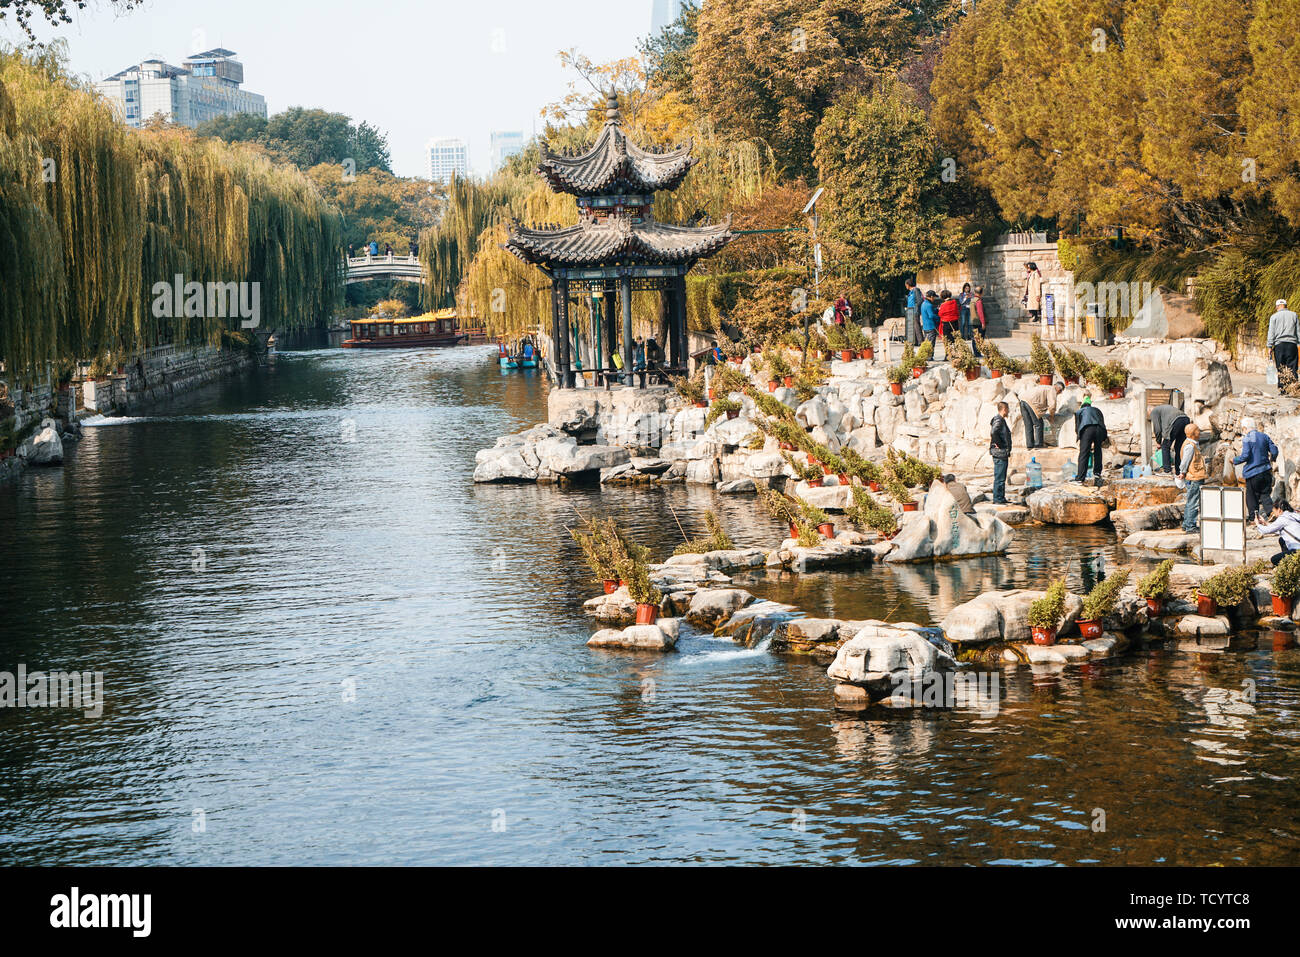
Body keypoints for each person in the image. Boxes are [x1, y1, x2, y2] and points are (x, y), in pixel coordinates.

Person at [1233, 416, 1278, 520]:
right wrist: (1272, 459)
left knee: (1251, 496)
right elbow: (1274, 450)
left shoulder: (1247, 438)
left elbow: (1245, 456)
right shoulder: (1264, 436)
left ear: (1244, 428)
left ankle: (1254, 518)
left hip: (1252, 473)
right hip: (1266, 471)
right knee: (1265, 494)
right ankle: (1271, 512)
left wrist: (1235, 460)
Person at [1176, 423, 1207, 534]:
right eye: (1198, 431)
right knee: (1193, 502)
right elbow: (1185, 461)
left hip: (1194, 476)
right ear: (1193, 434)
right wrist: (1182, 472)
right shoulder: (1190, 446)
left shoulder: (1192, 443)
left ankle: (1186, 524)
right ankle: (1190, 526)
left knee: (1191, 501)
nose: (1200, 432)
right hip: (1194, 477)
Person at [1150, 402, 1192, 474]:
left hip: (1175, 422)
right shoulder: (1164, 408)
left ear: (1149, 410)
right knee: (1179, 447)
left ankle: (1167, 470)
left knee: (1165, 446)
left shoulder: (1154, 411)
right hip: (1186, 419)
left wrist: (1158, 442)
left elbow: (1157, 429)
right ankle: (1179, 471)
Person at [1074, 394, 1106, 486]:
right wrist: (1103, 437)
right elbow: (1103, 423)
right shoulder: (1097, 410)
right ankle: (1097, 473)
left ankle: (1080, 479)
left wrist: (1079, 439)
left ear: (1082, 405)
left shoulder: (1079, 411)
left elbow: (1078, 427)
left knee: (1084, 453)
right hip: (1100, 429)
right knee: (1098, 450)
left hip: (1087, 429)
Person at [1020, 379, 1062, 449]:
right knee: (1039, 424)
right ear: (1058, 388)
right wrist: (1052, 416)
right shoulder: (1052, 390)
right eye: (1060, 391)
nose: (1058, 393)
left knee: (1028, 424)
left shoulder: (1046, 387)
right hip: (1031, 403)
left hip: (1023, 401)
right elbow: (1052, 405)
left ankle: (1029, 445)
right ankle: (1038, 445)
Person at [1256, 501, 1300, 566]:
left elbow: (1267, 530)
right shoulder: (1293, 514)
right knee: (1282, 540)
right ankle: (1290, 561)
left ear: (1279, 510)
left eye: (1274, 511)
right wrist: (1265, 523)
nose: (1274, 514)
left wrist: (1257, 524)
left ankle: (1289, 565)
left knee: (1274, 559)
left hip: (1297, 549)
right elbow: (1282, 530)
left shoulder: (1283, 518)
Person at [1268, 298, 1299, 386]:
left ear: (1278, 306)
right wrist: (1299, 343)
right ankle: (1293, 387)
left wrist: (1269, 346)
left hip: (1279, 346)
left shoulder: (1274, 317)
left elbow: (1271, 332)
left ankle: (1283, 389)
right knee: (1292, 367)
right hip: (1292, 345)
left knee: (1281, 367)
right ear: (1286, 306)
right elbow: (1298, 331)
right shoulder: (1294, 315)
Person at [990, 402, 1012, 504]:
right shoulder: (998, 420)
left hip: (1002, 453)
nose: (1008, 411)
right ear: (1004, 409)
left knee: (1001, 477)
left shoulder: (1000, 420)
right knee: (999, 477)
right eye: (1007, 409)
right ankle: (997, 499)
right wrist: (999, 444)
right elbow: (994, 432)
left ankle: (1001, 498)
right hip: (999, 453)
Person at [904, 279, 922, 346]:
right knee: (912, 327)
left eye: (906, 285)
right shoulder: (910, 292)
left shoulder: (916, 290)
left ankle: (920, 341)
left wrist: (916, 308)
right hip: (910, 311)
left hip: (914, 311)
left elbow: (919, 300)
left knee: (917, 326)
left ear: (908, 284)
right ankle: (915, 341)